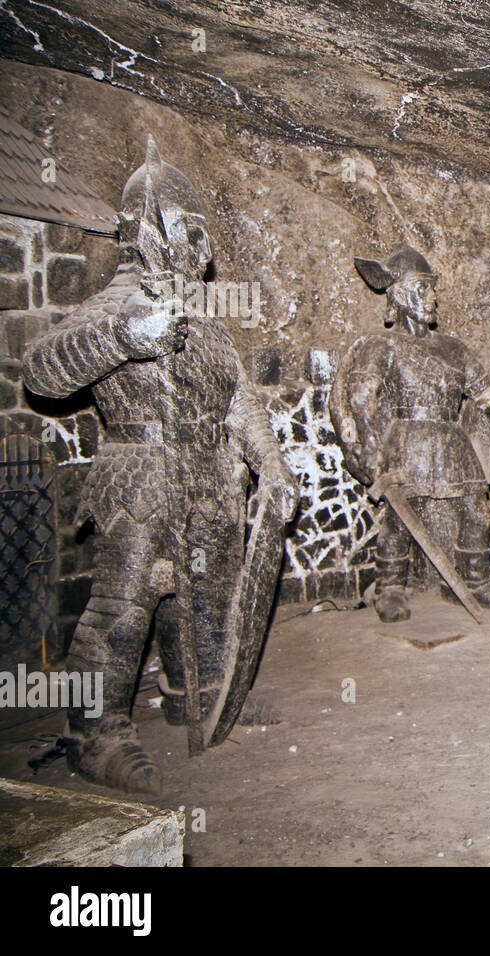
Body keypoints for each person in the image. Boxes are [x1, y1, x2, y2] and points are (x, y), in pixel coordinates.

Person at [22, 137, 297, 793]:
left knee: (204, 601)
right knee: (123, 609)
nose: (201, 248)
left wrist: (270, 462)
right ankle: (95, 732)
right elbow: (43, 370)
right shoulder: (116, 306)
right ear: (151, 229)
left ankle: (193, 692)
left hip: (207, 475)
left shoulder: (205, 320)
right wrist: (122, 337)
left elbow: (237, 399)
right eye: (190, 230)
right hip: (139, 474)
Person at [331, 244, 490, 622]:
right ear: (397, 295)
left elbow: (485, 395)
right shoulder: (382, 345)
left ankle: (474, 581)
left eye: (432, 289)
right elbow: (362, 396)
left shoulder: (453, 348)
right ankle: (391, 587)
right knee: (401, 515)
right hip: (407, 437)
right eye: (421, 289)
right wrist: (368, 440)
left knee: (476, 512)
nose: (431, 297)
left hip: (452, 439)